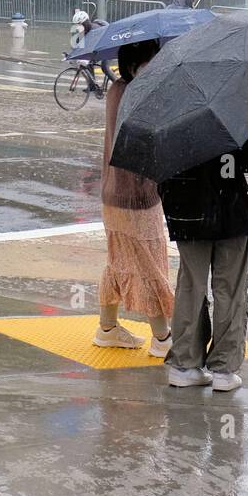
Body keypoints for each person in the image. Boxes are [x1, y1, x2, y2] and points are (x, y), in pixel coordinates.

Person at [158, 131, 248, 389]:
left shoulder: (170, 122)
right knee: (230, 289)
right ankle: (223, 370)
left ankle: (184, 364)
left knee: (191, 286)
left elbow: (158, 171)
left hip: (187, 213)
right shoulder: (228, 119)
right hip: (230, 213)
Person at [95, 40, 173, 356]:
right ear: (138, 63)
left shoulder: (117, 89)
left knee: (119, 261)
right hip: (137, 196)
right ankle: (163, 339)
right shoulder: (139, 94)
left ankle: (108, 328)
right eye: (153, 59)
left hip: (112, 192)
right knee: (150, 264)